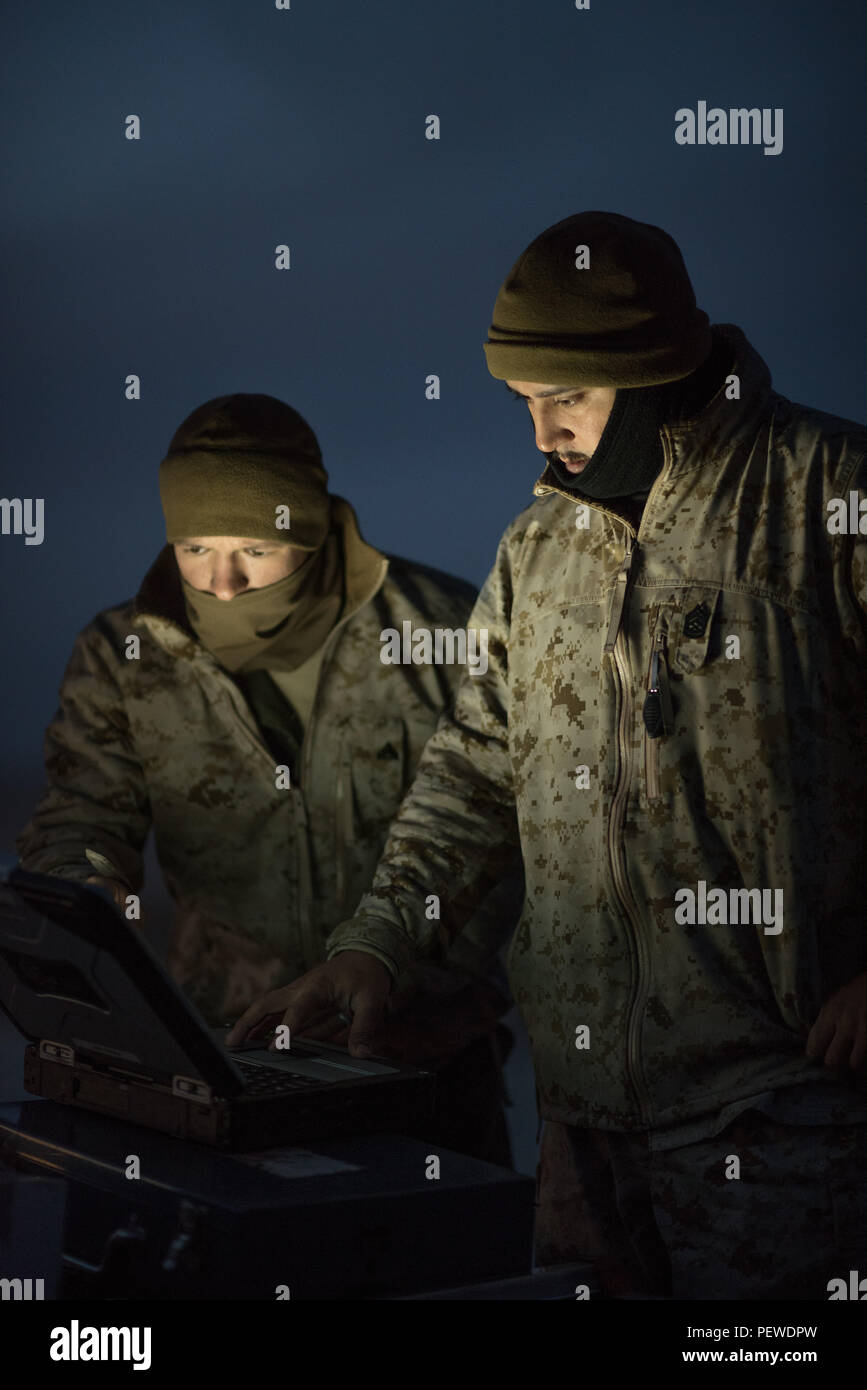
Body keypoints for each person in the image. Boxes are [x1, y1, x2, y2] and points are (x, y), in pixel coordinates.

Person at [228, 213, 867, 1299]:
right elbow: (476, 774)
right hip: (582, 1133)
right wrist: (376, 947)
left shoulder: (824, 496)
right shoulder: (535, 551)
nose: (542, 435)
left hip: (779, 1119)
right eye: (524, 403)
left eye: (566, 397)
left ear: (654, 365)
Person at [16, 392, 521, 1166]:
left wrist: (403, 977)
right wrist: (85, 906)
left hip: (427, 1064)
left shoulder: (447, 635)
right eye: (193, 548)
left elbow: (501, 833)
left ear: (311, 528)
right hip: (223, 1059)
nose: (221, 582)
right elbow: (82, 816)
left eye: (253, 547)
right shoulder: (123, 655)